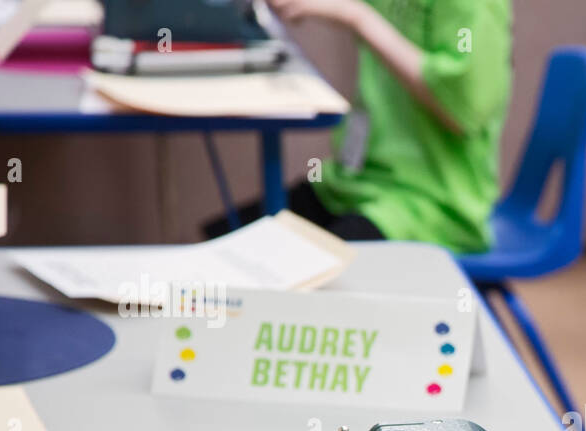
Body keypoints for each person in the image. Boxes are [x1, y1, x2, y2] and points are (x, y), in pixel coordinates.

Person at [205, 0, 512, 251]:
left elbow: (463, 111)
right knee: (223, 247)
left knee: (302, 279)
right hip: (355, 183)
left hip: (431, 203)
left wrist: (358, 17)